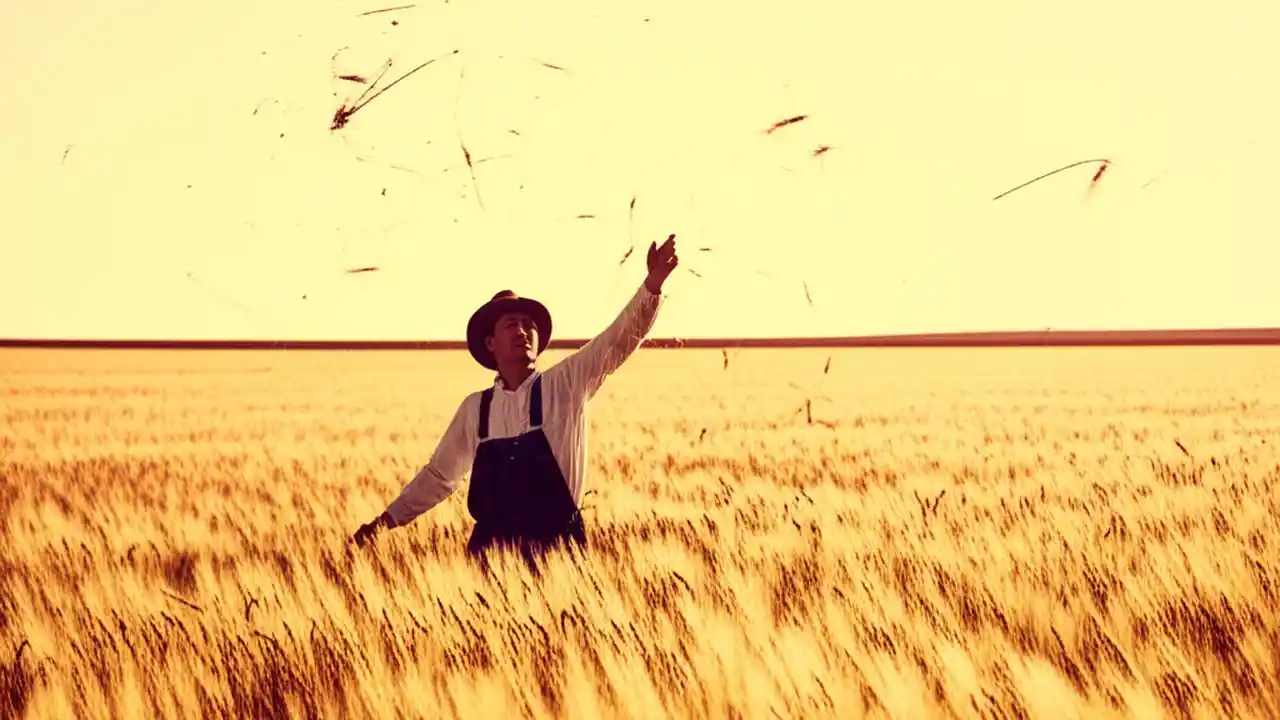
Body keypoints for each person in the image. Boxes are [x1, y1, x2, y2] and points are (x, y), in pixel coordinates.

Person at [351, 234, 679, 570]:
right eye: (512, 325)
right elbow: (440, 476)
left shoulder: (567, 383)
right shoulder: (475, 409)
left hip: (558, 555)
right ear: (490, 343)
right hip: (489, 558)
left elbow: (618, 340)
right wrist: (386, 521)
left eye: (530, 326)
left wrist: (653, 284)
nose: (523, 332)